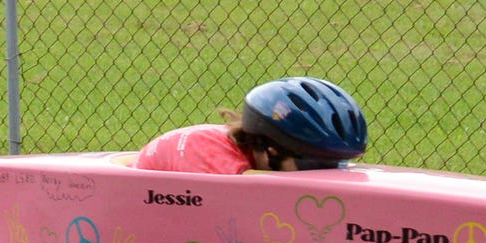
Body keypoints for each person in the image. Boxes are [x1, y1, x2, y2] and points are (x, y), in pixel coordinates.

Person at [134, 76, 370, 176]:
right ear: (272, 151)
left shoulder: (246, 156)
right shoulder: (219, 165)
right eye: (315, 166)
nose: (322, 174)